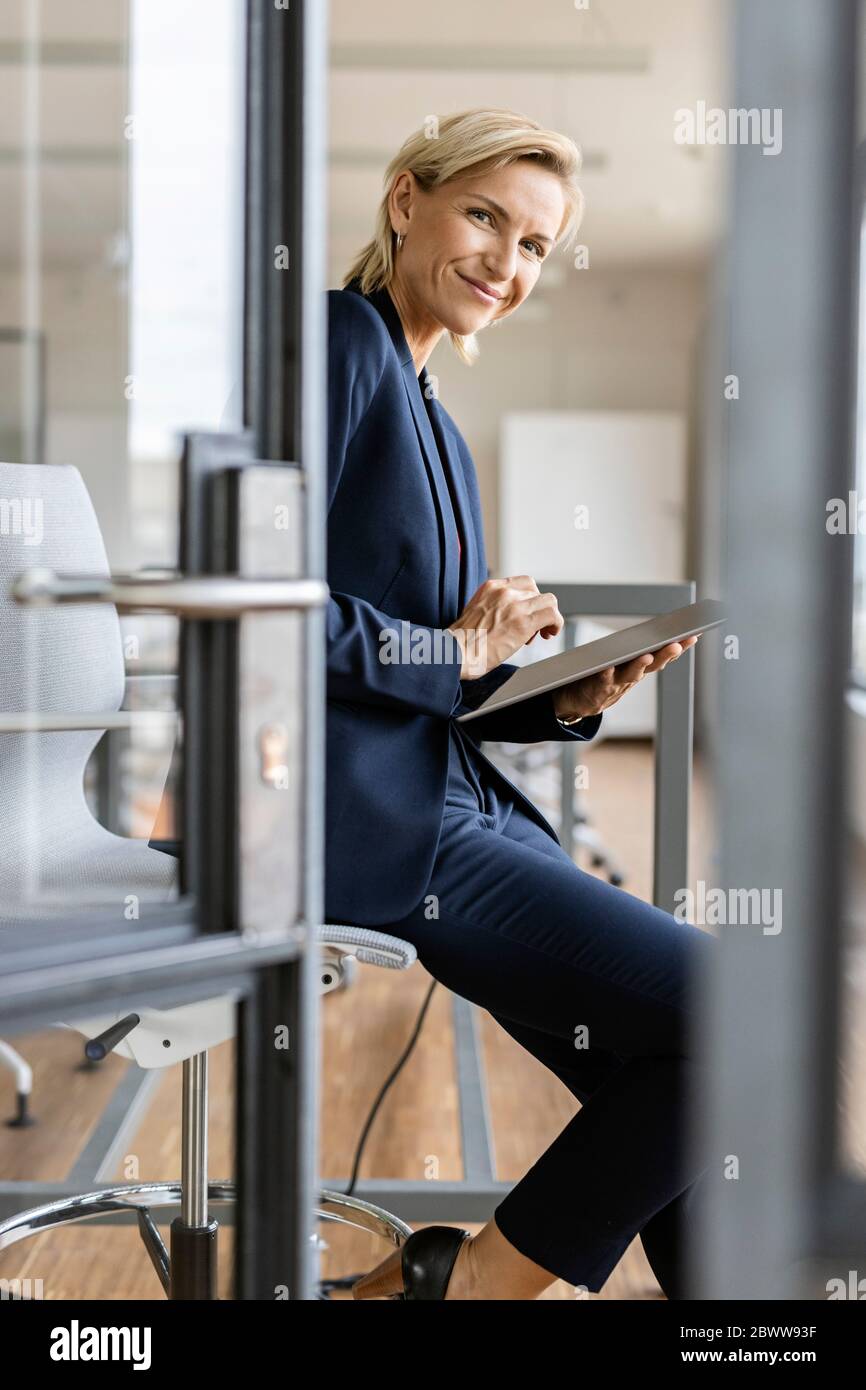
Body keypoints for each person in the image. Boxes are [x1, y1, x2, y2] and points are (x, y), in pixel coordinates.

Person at [324, 107, 714, 1300]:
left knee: (670, 1061)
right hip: (385, 827)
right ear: (405, 204)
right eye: (483, 217)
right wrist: (456, 648)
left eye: (535, 245)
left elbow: (443, 680)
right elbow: (266, 609)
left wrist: (553, 697)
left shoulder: (437, 413)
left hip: (456, 802)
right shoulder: (337, 344)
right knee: (726, 1016)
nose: (507, 262)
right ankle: (455, 1288)